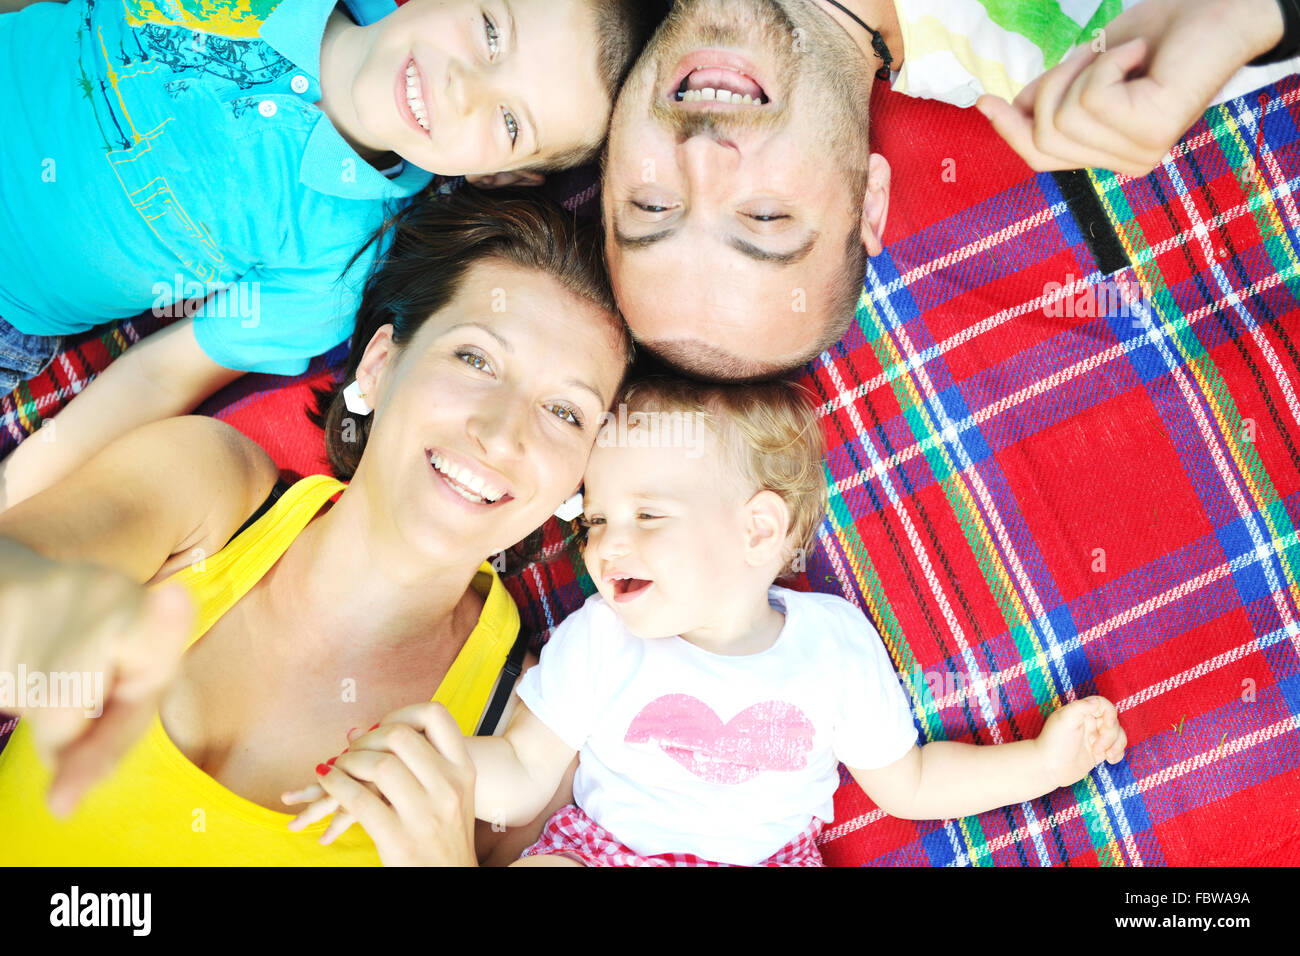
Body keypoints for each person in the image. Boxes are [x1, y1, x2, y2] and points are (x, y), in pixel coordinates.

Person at [0, 187, 630, 865]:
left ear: (583, 478)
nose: (500, 434)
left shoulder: (531, 734)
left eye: (565, 412)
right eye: (474, 359)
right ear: (381, 365)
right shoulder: (211, 492)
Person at [288, 376, 1128, 866]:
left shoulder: (833, 645)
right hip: (605, 852)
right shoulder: (602, 638)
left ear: (759, 529)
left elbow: (910, 782)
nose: (607, 545)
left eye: (647, 517)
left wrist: (1044, 766)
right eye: (596, 521)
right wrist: (429, 756)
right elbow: (517, 770)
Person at [0, 0, 658, 508]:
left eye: (510, 122)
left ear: (501, 177)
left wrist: (13, 508)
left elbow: (156, 377)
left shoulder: (334, 268)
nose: (463, 88)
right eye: (490, 31)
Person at [599, 0, 1293, 381]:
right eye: (764, 215)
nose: (700, 157)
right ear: (869, 199)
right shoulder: (1085, 48)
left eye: (653, 206)